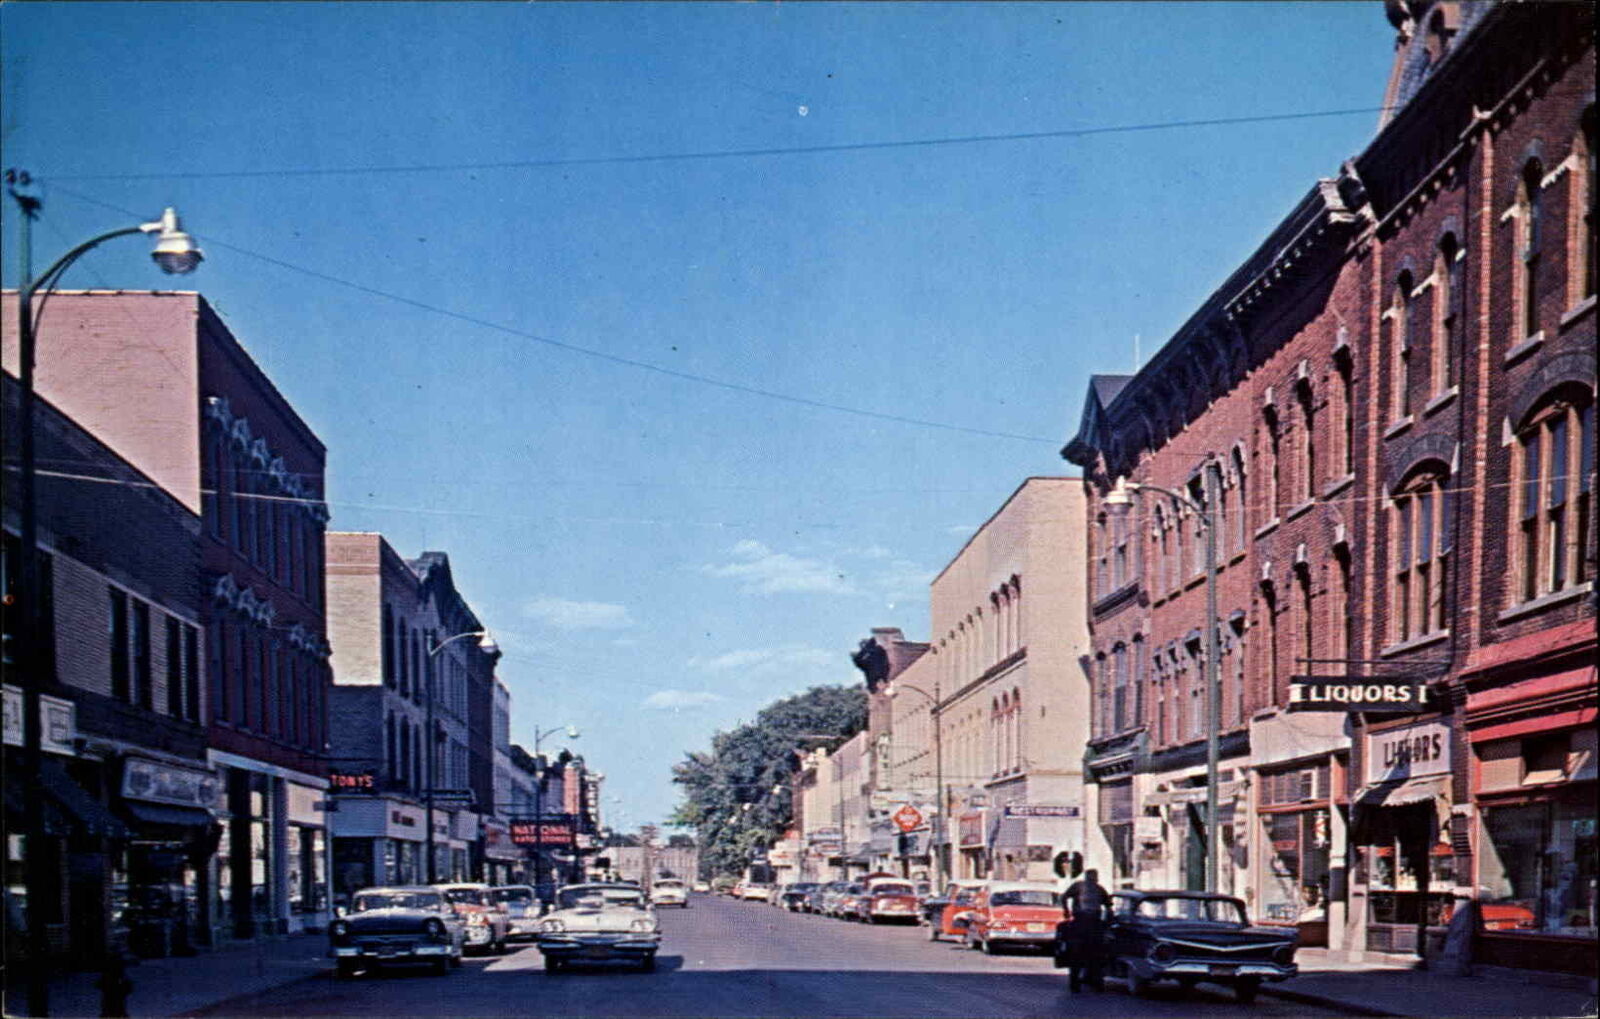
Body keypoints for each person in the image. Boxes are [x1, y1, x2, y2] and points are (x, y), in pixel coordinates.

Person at [1061, 868, 1111, 992]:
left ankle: (1090, 981)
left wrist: (1066, 911)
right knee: (1088, 954)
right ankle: (1085, 982)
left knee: (1090, 954)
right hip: (1086, 922)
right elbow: (1109, 906)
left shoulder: (1096, 889)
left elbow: (1108, 906)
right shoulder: (1087, 887)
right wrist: (1066, 911)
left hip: (1088, 923)